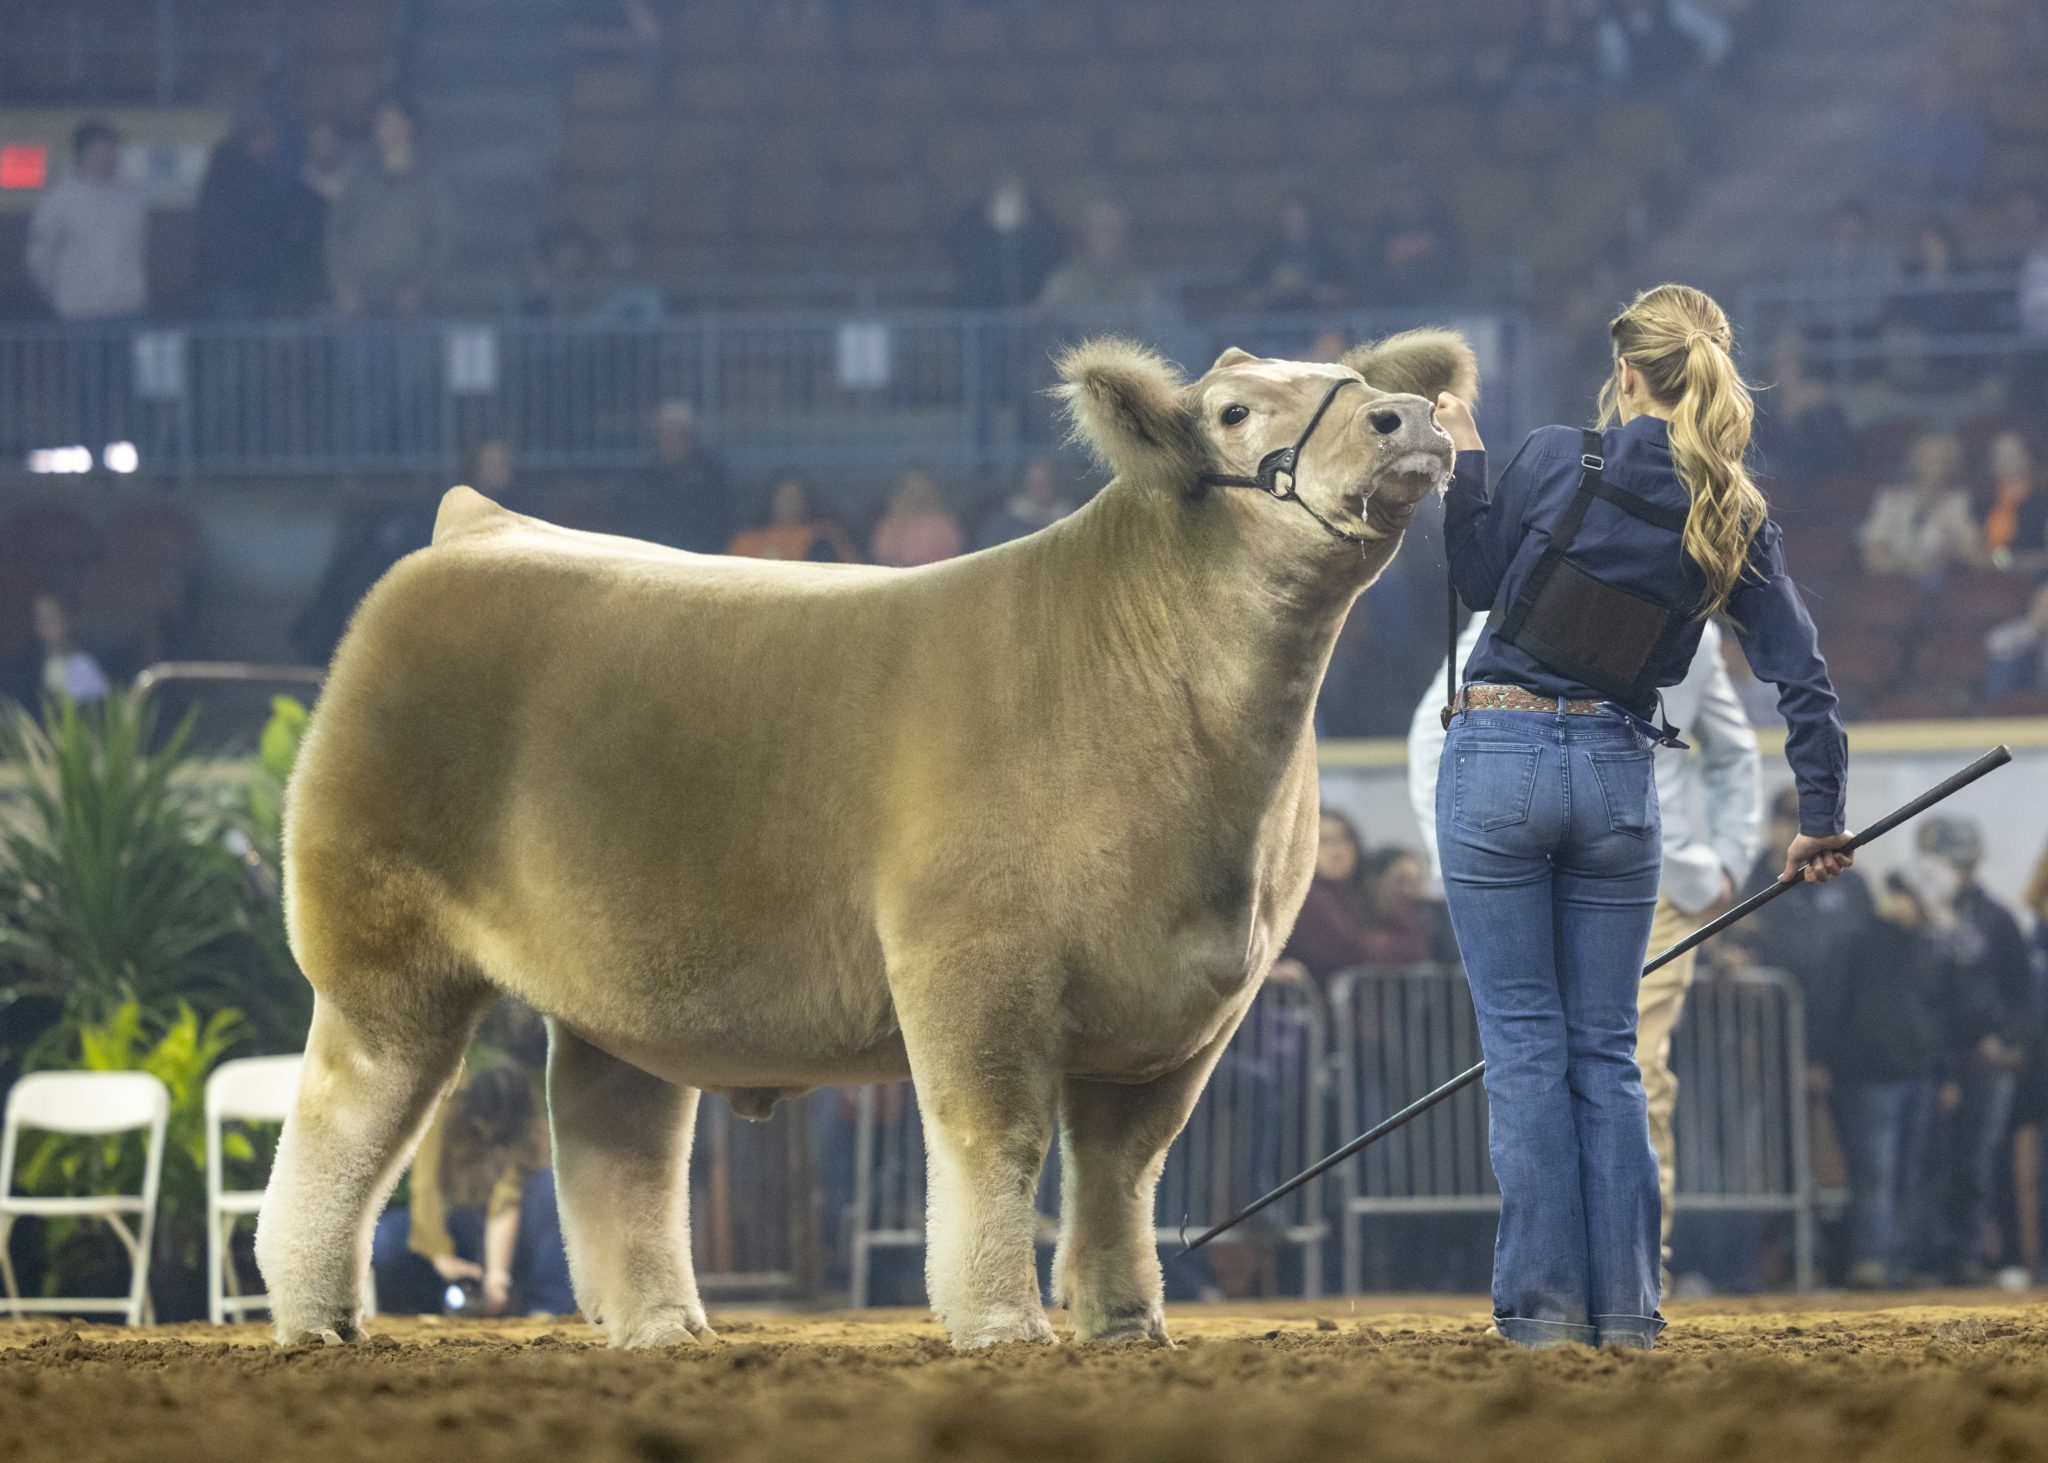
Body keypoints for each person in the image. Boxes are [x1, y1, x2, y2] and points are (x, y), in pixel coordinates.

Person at [1430, 282, 1852, 1350]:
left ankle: (1541, 1316)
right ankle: (1624, 1311)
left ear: (1625, 372)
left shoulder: (1552, 457)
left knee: (1525, 1048)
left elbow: (1475, 578)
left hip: (1499, 755)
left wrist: (1466, 455)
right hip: (1620, 774)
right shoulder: (1732, 510)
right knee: (1607, 1053)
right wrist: (1818, 813)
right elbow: (1801, 676)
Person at [1411, 614, 1763, 1283]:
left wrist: (1728, 859)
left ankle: (1629, 1271)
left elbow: (1732, 749)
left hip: (1656, 872)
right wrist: (1450, 852)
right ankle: (1578, 1278)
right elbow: (1436, 724)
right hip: (1527, 858)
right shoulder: (1511, 604)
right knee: (1553, 1059)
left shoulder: (1691, 624)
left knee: (1627, 1062)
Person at [1806, 862, 1948, 1287]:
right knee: (1879, 1173)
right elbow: (1832, 1004)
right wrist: (1820, 1058)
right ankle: (1878, 1259)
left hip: (1905, 1073)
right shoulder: (1862, 943)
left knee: (1893, 1173)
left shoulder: (1914, 946)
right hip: (1870, 1075)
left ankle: (1890, 1260)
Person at [1917, 816, 2033, 1284]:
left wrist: (2004, 1040)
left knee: (1977, 1161)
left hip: (1986, 1062)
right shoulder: (1922, 918)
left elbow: (2021, 991)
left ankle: (1968, 1254)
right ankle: (1929, 1255)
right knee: (1930, 1161)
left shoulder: (1997, 919)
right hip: (1932, 1060)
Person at [370, 1058, 574, 1317]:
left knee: (550, 1190)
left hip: (517, 1236)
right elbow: (425, 1189)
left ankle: (546, 1308)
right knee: (386, 1236)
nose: (487, 1132)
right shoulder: (448, 1115)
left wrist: (496, 1277)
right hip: (461, 1225)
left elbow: (505, 1202)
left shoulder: (530, 1140)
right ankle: (414, 1312)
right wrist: (439, 1254)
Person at [326, 98, 450, 318]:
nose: (385, 129)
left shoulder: (429, 179)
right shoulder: (359, 175)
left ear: (409, 125)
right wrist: (344, 288)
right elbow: (337, 232)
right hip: (360, 296)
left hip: (410, 300)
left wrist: (419, 288)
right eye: (381, 123)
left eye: (392, 122)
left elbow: (443, 237)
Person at [25, 119, 146, 324]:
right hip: (80, 311)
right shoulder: (60, 199)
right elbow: (40, 256)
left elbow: (140, 246)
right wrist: (63, 293)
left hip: (128, 306)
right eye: (102, 150)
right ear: (84, 153)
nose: (110, 156)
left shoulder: (131, 197)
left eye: (113, 149)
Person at [193, 109, 297, 318]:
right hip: (238, 280)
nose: (274, 144)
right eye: (270, 136)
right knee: (237, 333)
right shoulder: (241, 177)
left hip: (231, 279)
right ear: (254, 137)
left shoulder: (227, 170)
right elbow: (264, 222)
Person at [620, 400, 734, 555]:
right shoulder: (644, 480)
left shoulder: (712, 477)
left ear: (692, 437)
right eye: (665, 435)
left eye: (677, 434)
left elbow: (721, 524)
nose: (670, 441)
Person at [1859, 433, 1981, 577]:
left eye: (1941, 461)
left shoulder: (1959, 502)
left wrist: (1950, 551)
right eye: (1928, 460)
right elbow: (1872, 550)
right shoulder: (1890, 500)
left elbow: (1970, 551)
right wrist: (1904, 571)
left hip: (1943, 581)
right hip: (1894, 579)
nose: (1935, 468)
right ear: (1914, 462)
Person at [946, 173, 1065, 309]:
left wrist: (1038, 306)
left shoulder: (1041, 237)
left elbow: (1053, 273)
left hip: (1028, 313)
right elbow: (968, 274)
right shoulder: (972, 233)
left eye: (1015, 199)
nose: (1008, 204)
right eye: (1003, 197)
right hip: (978, 312)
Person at [1036, 201, 1157, 315]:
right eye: (1098, 232)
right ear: (1086, 237)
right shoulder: (1064, 280)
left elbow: (1152, 318)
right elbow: (1041, 316)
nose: (1104, 239)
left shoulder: (1138, 284)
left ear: (1122, 239)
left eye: (1111, 232)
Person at [1241, 196, 1350, 310]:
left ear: (1310, 218)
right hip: (1275, 319)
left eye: (1299, 215)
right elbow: (1247, 299)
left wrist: (1311, 288)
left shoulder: (1328, 253)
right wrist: (1273, 290)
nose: (1294, 221)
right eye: (1289, 216)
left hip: (1317, 319)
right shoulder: (1266, 254)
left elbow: (1347, 294)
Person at [725, 474, 857, 562]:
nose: (789, 504)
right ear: (771, 499)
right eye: (784, 498)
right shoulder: (747, 541)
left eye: (794, 498)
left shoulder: (821, 536)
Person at [868, 466, 964, 567]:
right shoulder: (890, 523)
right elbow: (881, 556)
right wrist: (900, 522)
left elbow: (952, 558)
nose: (916, 496)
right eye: (910, 489)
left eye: (921, 488)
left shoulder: (943, 524)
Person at [975, 456, 1076, 549]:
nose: (1041, 489)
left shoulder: (1069, 520)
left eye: (1045, 483)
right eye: (1036, 483)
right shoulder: (1004, 523)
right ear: (1025, 484)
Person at [31, 596, 110, 707]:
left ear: (66, 621)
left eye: (54, 619)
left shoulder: (83, 663)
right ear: (36, 626)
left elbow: (97, 704)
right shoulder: (29, 669)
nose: (50, 625)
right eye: (44, 620)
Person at [1984, 430, 2048, 567]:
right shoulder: (1983, 499)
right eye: (2000, 456)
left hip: (2031, 572)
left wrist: (2011, 561)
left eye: (2013, 455)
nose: (2007, 461)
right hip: (1983, 571)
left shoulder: (2042, 500)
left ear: (2027, 457)